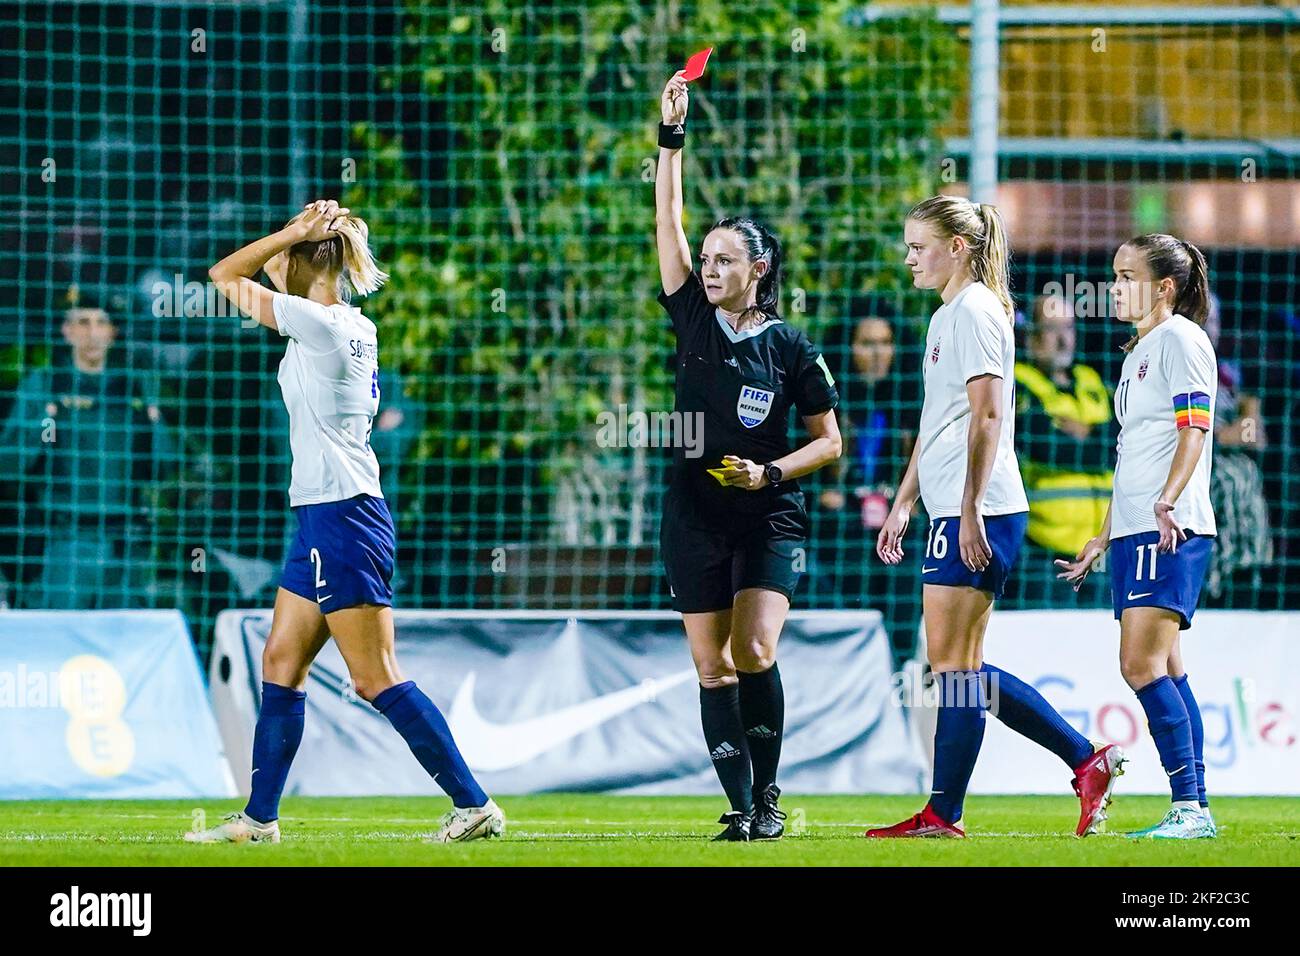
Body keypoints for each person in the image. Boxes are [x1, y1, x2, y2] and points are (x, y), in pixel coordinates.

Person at [187, 200, 503, 844]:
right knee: (281, 657)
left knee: (372, 675)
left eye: (283, 261)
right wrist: (299, 242)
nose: (273, 270)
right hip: (323, 516)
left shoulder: (322, 324)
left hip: (345, 516)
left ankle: (474, 805)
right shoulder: (345, 322)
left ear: (305, 265)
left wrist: (288, 233)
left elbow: (221, 275)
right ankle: (259, 819)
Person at [868, 195, 1123, 839]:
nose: (909, 258)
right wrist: (905, 500)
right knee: (959, 668)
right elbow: (940, 423)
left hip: (979, 507)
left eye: (918, 246)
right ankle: (1080, 762)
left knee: (953, 667)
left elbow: (988, 417)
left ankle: (948, 810)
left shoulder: (977, 310)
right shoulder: (947, 314)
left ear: (958, 246)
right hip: (955, 505)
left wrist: (969, 508)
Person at [655, 72, 842, 841]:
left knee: (753, 648)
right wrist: (670, 138)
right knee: (711, 667)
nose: (708, 268)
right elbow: (666, 213)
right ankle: (738, 807)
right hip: (693, 512)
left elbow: (829, 442)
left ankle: (769, 797)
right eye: (705, 258)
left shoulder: (792, 346)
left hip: (769, 513)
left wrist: (771, 473)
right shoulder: (694, 319)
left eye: (724, 260)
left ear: (757, 269)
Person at [1056, 234, 1219, 839]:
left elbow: (1194, 428)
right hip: (1134, 529)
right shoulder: (1139, 352)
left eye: (1127, 276)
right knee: (1169, 671)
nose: (1115, 287)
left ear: (1165, 288)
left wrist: (1168, 500)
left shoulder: (1181, 339)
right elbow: (1134, 455)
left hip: (1166, 526)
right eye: (1115, 274)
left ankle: (1189, 808)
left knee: (1139, 664)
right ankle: (1194, 805)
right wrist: (1104, 534)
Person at [0, 288, 171, 609]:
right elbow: (11, 461)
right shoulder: (46, 383)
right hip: (63, 539)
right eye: (81, 322)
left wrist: (154, 424)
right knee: (57, 637)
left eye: (100, 322)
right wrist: (41, 426)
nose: (91, 333)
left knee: (122, 641)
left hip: (125, 541)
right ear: (66, 330)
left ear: (113, 332)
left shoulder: (135, 386)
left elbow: (162, 465)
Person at [808, 309, 922, 656]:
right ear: (848, 348)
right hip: (840, 534)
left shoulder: (910, 403)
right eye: (866, 344)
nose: (877, 354)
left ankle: (898, 678)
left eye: (885, 343)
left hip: (897, 532)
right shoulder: (822, 404)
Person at [1009, 293, 1114, 606]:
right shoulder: (1018, 383)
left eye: (1068, 328)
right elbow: (1044, 445)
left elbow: (1121, 443)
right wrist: (1097, 438)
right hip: (1045, 551)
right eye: (1052, 329)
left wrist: (1085, 436)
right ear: (1031, 336)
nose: (1062, 340)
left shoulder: (1091, 380)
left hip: (1101, 549)